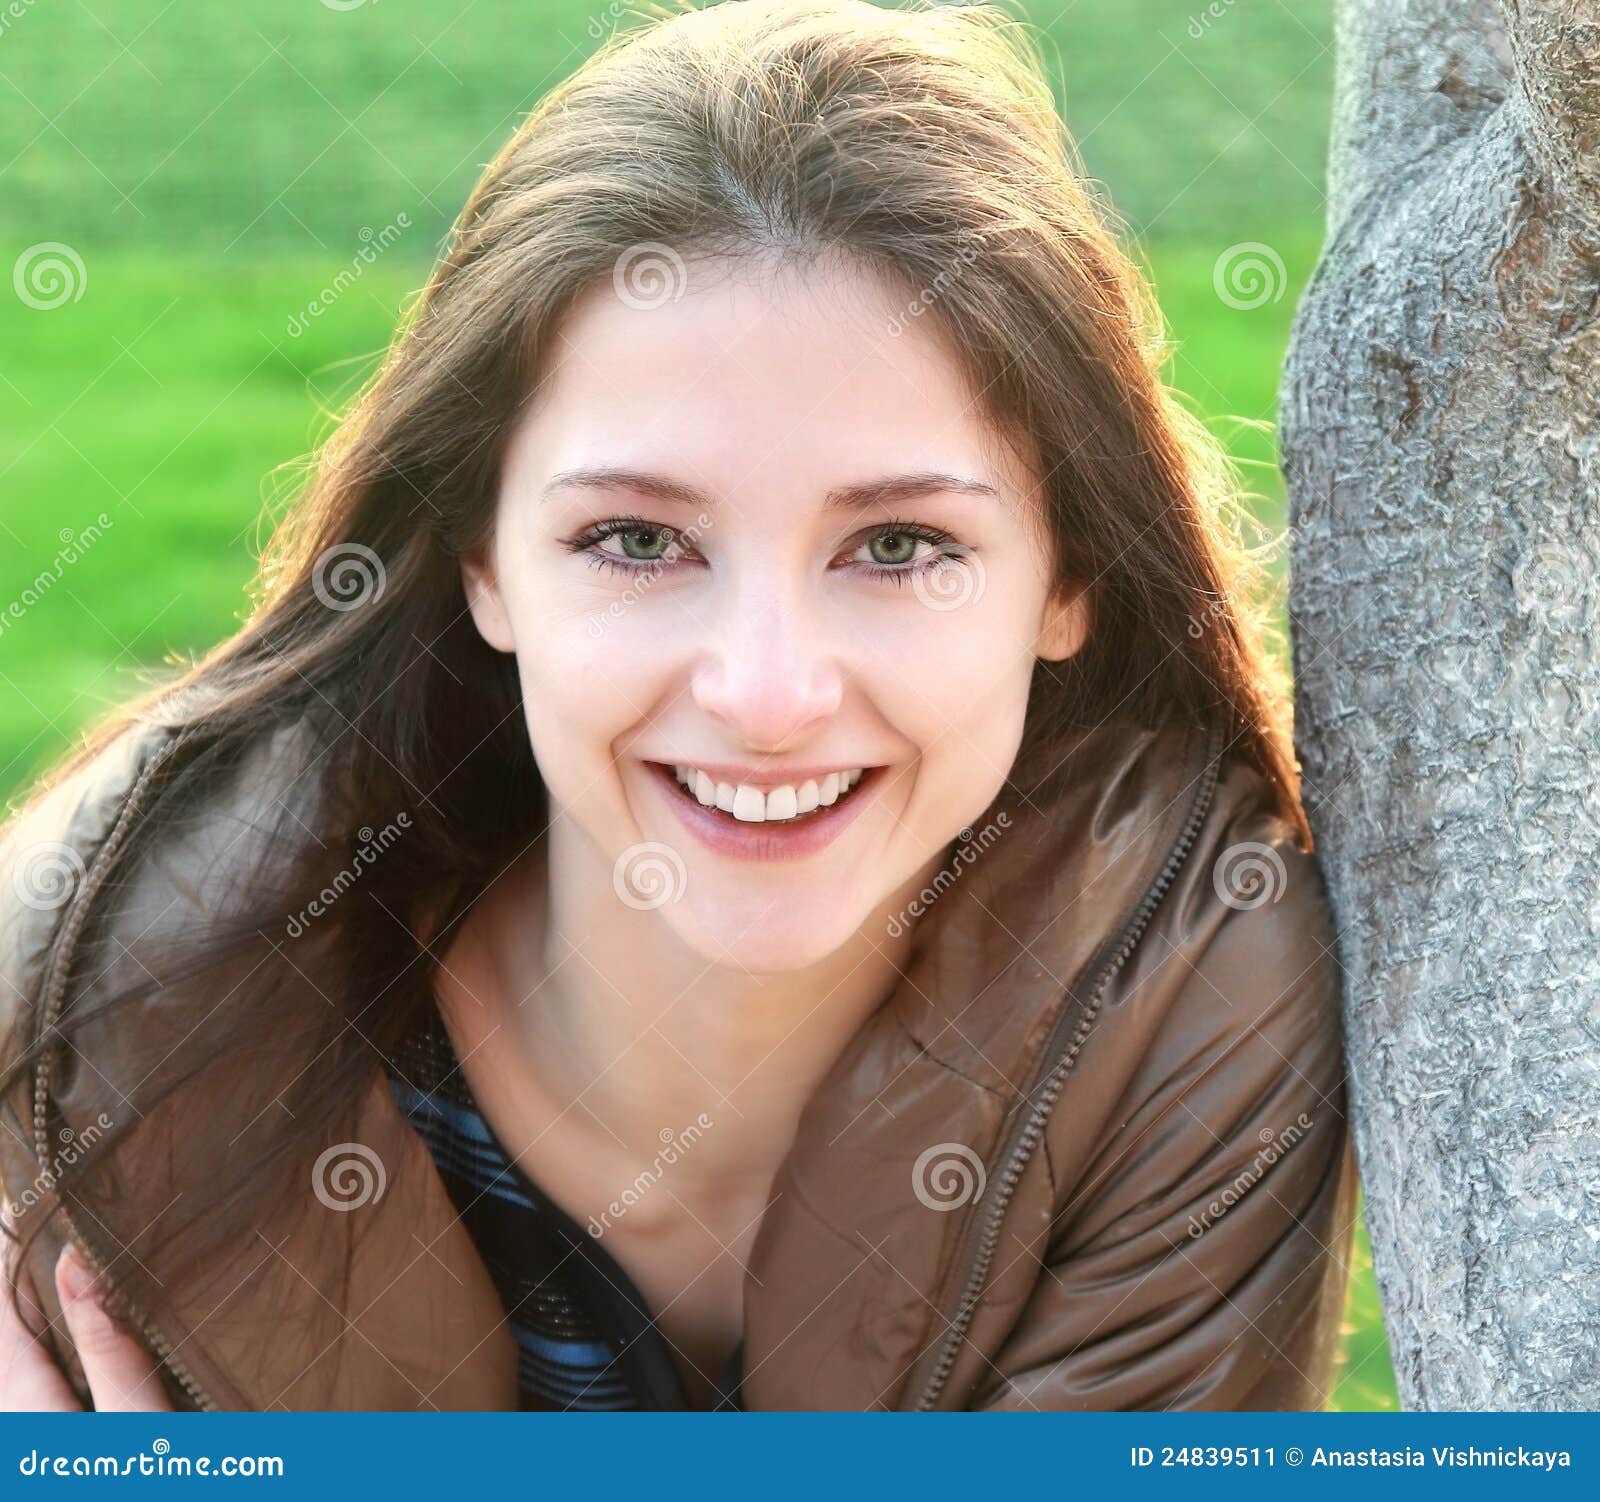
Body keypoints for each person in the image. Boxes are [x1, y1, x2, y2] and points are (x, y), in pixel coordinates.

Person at [0, 0, 1355, 1412]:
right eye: (640, 542)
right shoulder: (124, 1023)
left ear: (1066, 578)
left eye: (898, 546)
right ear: (483, 560)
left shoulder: (1185, 1002)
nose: (767, 695)